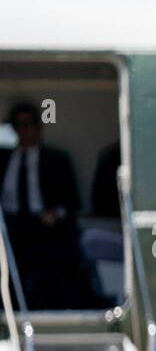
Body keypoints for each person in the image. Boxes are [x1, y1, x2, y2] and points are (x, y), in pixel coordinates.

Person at [0, 100, 87, 309]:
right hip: (8, 227)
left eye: (29, 124)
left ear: (38, 126)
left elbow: (72, 201)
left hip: (45, 226)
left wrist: (55, 214)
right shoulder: (3, 158)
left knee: (50, 267)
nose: (24, 130)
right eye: (19, 125)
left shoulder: (56, 159)